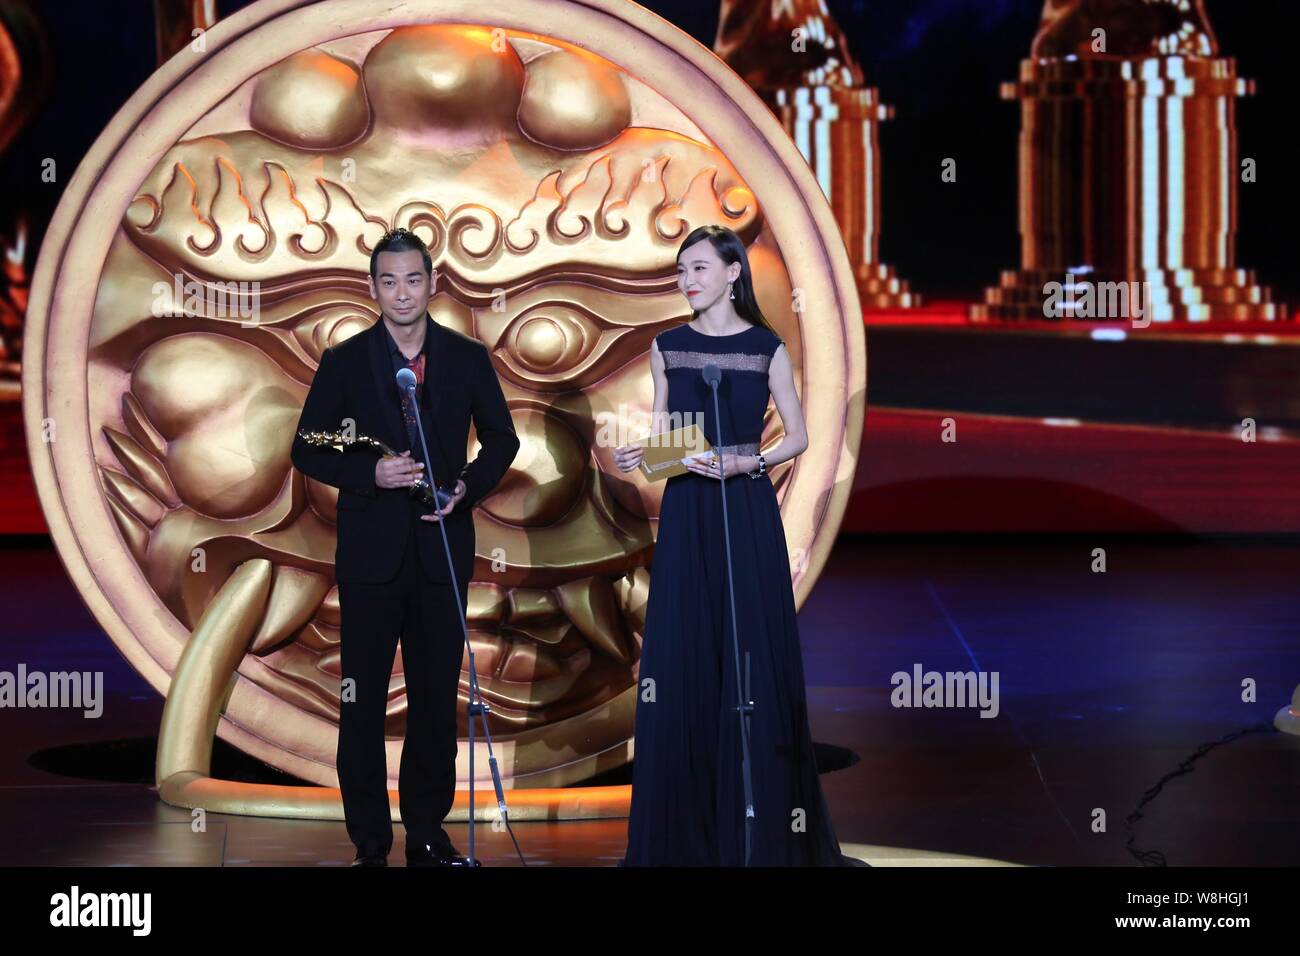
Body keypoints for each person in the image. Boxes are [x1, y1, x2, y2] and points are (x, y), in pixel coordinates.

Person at [614, 224, 847, 866]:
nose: (687, 281)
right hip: (690, 512)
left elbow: (797, 437)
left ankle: (760, 829)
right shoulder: (668, 348)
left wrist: (750, 464)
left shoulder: (767, 347)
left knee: (749, 651)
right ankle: (689, 834)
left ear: (732, 273)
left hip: (744, 508)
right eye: (680, 271)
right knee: (690, 651)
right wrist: (647, 453)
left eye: (698, 268)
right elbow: (667, 450)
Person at [290, 228, 519, 867]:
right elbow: (309, 444)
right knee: (360, 700)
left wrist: (465, 489)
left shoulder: (467, 358)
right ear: (372, 287)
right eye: (388, 281)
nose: (401, 292)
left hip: (442, 550)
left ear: (432, 284)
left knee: (433, 700)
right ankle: (369, 842)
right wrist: (370, 472)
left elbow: (503, 440)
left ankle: (426, 832)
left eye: (412, 279)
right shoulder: (345, 361)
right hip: (371, 558)